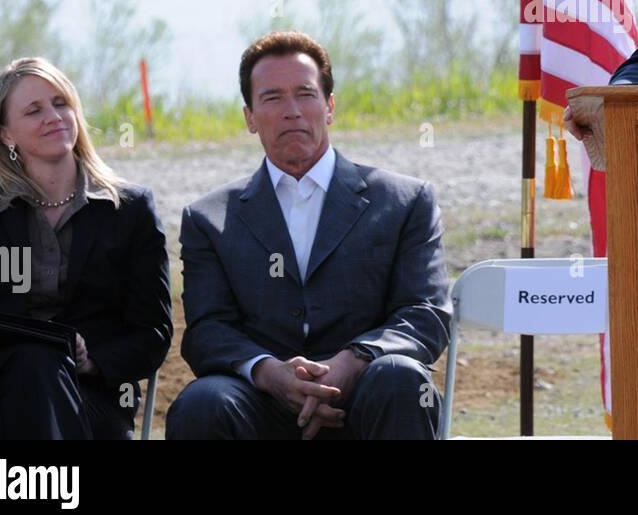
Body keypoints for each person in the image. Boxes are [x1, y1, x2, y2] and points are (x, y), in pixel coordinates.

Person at [166, 30, 451, 440]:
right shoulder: (209, 218)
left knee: (402, 376)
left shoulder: (404, 201)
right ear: (249, 117)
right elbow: (208, 331)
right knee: (202, 402)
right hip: (261, 404)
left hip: (370, 392)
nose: (292, 111)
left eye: (305, 94)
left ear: (329, 106)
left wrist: (352, 363)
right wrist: (270, 373)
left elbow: (424, 314)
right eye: (272, 98)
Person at [0, 57, 172, 439]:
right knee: (35, 359)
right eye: (33, 110)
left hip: (90, 395)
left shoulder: (129, 211)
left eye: (61, 103)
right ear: (6, 134)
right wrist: (32, 349)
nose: (53, 116)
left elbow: (153, 334)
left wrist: (91, 361)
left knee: (0, 425)